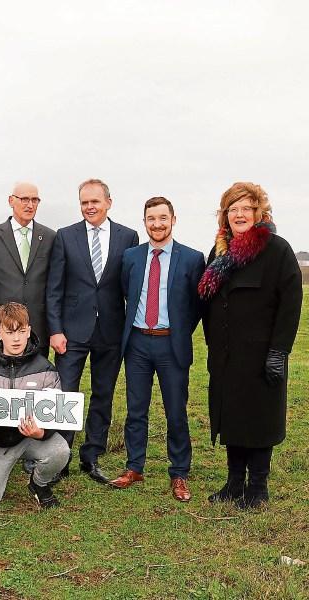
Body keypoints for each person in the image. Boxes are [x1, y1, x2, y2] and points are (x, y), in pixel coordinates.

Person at [199, 182, 302, 509]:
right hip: (227, 355)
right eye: (232, 209)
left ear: (258, 212)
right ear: (225, 216)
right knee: (231, 418)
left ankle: (257, 487)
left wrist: (278, 351)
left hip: (260, 356)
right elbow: (208, 301)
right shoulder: (220, 252)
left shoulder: (276, 249)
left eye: (245, 208)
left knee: (259, 419)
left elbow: (291, 303)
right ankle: (233, 483)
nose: (239, 214)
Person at [108, 198, 205, 502]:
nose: (157, 224)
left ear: (173, 220)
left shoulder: (191, 258)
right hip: (137, 342)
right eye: (151, 218)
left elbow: (196, 304)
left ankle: (179, 473)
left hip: (171, 344)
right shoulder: (131, 257)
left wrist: (177, 332)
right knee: (136, 410)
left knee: (176, 411)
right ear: (145, 222)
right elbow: (127, 292)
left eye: (163, 218)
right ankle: (134, 467)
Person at [46, 178, 139, 484]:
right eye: (84, 202)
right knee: (65, 396)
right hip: (71, 333)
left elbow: (130, 287)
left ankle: (92, 455)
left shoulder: (128, 237)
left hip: (110, 331)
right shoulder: (65, 236)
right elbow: (54, 289)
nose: (89, 207)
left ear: (108, 202)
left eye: (95, 201)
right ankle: (60, 457)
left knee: (103, 395)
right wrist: (55, 330)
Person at [0, 302, 70, 510]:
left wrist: (42, 433)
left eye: (21, 331)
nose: (16, 338)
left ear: (29, 331)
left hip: (30, 438)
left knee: (61, 451)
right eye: (9, 332)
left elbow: (56, 413)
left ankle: (39, 484)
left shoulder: (45, 369)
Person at [0, 181, 57, 356]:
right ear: (11, 201)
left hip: (37, 328)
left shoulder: (51, 237)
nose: (30, 205)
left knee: (34, 382)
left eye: (35, 200)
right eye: (24, 199)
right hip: (0, 328)